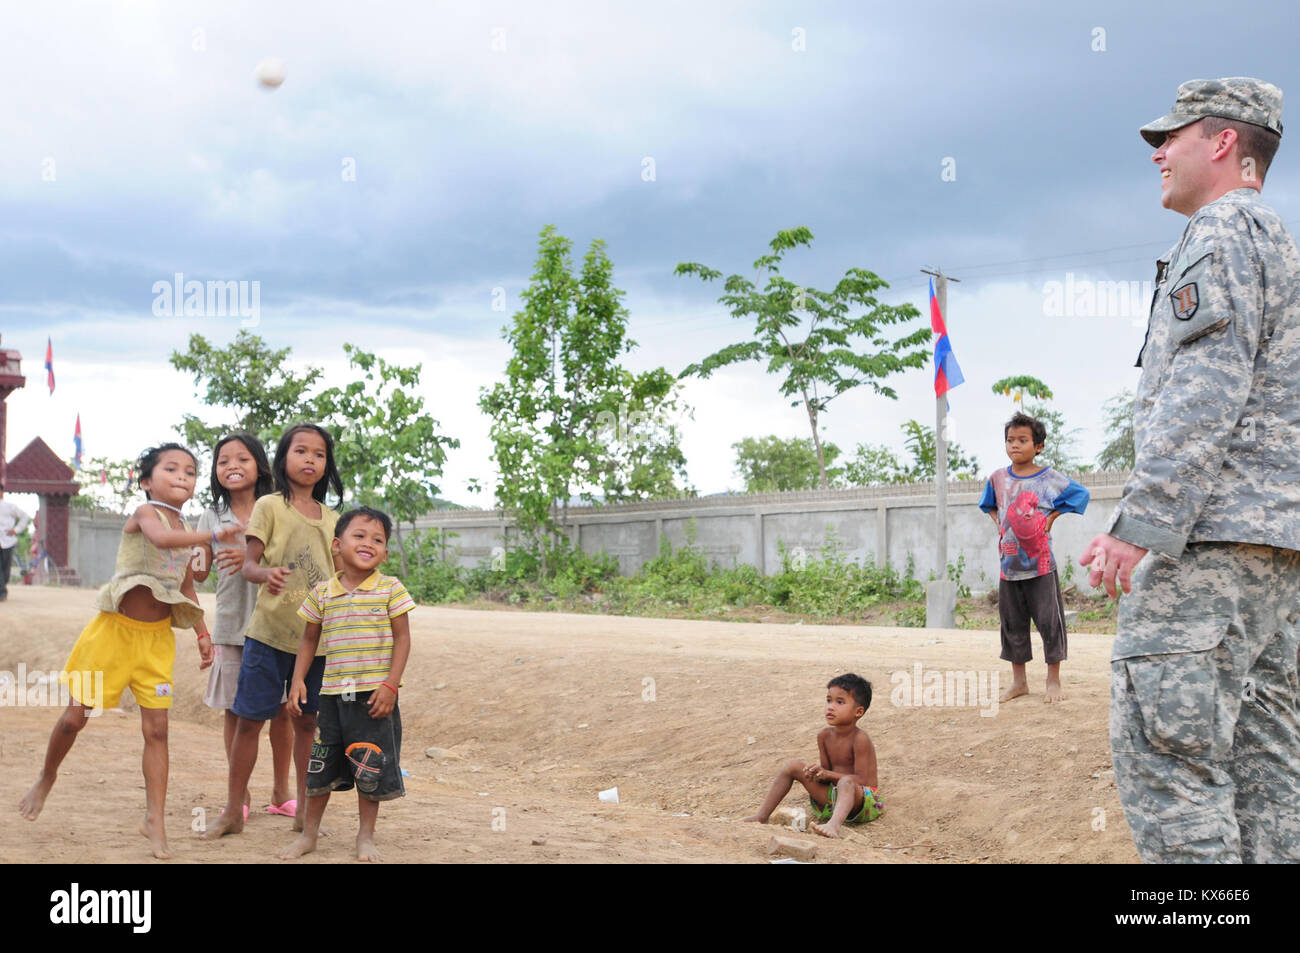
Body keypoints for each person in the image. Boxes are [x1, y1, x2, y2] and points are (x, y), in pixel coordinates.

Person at [1081, 77, 1300, 863]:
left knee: (1173, 768)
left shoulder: (1220, 234)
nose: (1157, 153)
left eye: (1170, 137)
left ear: (1223, 143)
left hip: (1205, 549)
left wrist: (1142, 525)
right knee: (1266, 773)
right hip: (1274, 556)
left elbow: (1204, 391)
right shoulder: (1277, 242)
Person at [17, 443, 242, 858]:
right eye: (171, 468)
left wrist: (203, 634)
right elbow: (162, 537)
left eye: (190, 471)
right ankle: (47, 776)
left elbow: (186, 586)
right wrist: (212, 534)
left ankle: (153, 820)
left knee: (157, 730)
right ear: (145, 481)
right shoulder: (146, 515)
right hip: (111, 637)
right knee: (73, 719)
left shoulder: (187, 527)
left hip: (156, 643)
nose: (181, 476)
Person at [202, 423, 344, 841]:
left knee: (307, 724)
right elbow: (248, 567)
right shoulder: (269, 506)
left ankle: (303, 812)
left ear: (326, 465)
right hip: (265, 637)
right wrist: (267, 574)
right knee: (249, 721)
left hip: (314, 645)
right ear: (283, 459)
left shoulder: (334, 519)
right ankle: (233, 809)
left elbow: (340, 579)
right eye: (301, 451)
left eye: (319, 454)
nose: (310, 460)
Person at [278, 506, 413, 862]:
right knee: (319, 765)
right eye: (359, 535)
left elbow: (403, 639)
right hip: (332, 696)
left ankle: (365, 837)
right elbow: (308, 640)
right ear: (337, 545)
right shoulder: (323, 593)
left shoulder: (390, 589)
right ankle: (309, 834)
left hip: (374, 698)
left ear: (385, 552)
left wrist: (391, 686)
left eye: (378, 539)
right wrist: (298, 682)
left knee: (369, 768)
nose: (368, 543)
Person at [192, 433, 294, 821]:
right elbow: (199, 571)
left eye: (242, 459)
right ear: (216, 472)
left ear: (260, 467)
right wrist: (196, 559)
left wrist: (249, 555)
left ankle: (282, 791)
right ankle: (241, 794)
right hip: (233, 625)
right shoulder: (210, 516)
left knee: (284, 711)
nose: (232, 466)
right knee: (235, 712)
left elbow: (292, 560)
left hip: (278, 624)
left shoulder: (278, 508)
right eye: (223, 461)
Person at [979, 412, 1089, 703]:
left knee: (1049, 622)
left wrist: (1052, 516)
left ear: (1038, 446)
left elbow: (1080, 495)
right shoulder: (997, 478)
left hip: (1040, 565)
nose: (1015, 445)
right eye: (1010, 440)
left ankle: (1053, 680)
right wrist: (1001, 526)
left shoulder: (1049, 478)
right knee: (1013, 624)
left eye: (1022, 440)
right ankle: (1019, 682)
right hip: (1009, 567)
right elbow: (988, 505)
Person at [741, 673, 881, 838]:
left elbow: (865, 781)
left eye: (840, 702)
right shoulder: (824, 736)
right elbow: (827, 776)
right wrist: (818, 774)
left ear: (858, 712)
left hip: (863, 801)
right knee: (792, 765)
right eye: (829, 700)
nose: (831, 706)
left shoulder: (860, 739)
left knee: (846, 781)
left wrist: (829, 774)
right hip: (833, 798)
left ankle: (834, 826)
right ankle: (761, 816)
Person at [0, 488, 32, 601]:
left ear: (1, 492)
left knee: (5, 569)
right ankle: (2, 593)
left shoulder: (9, 507)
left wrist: (16, 530)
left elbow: (25, 516)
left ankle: (2, 587)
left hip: (7, 541)